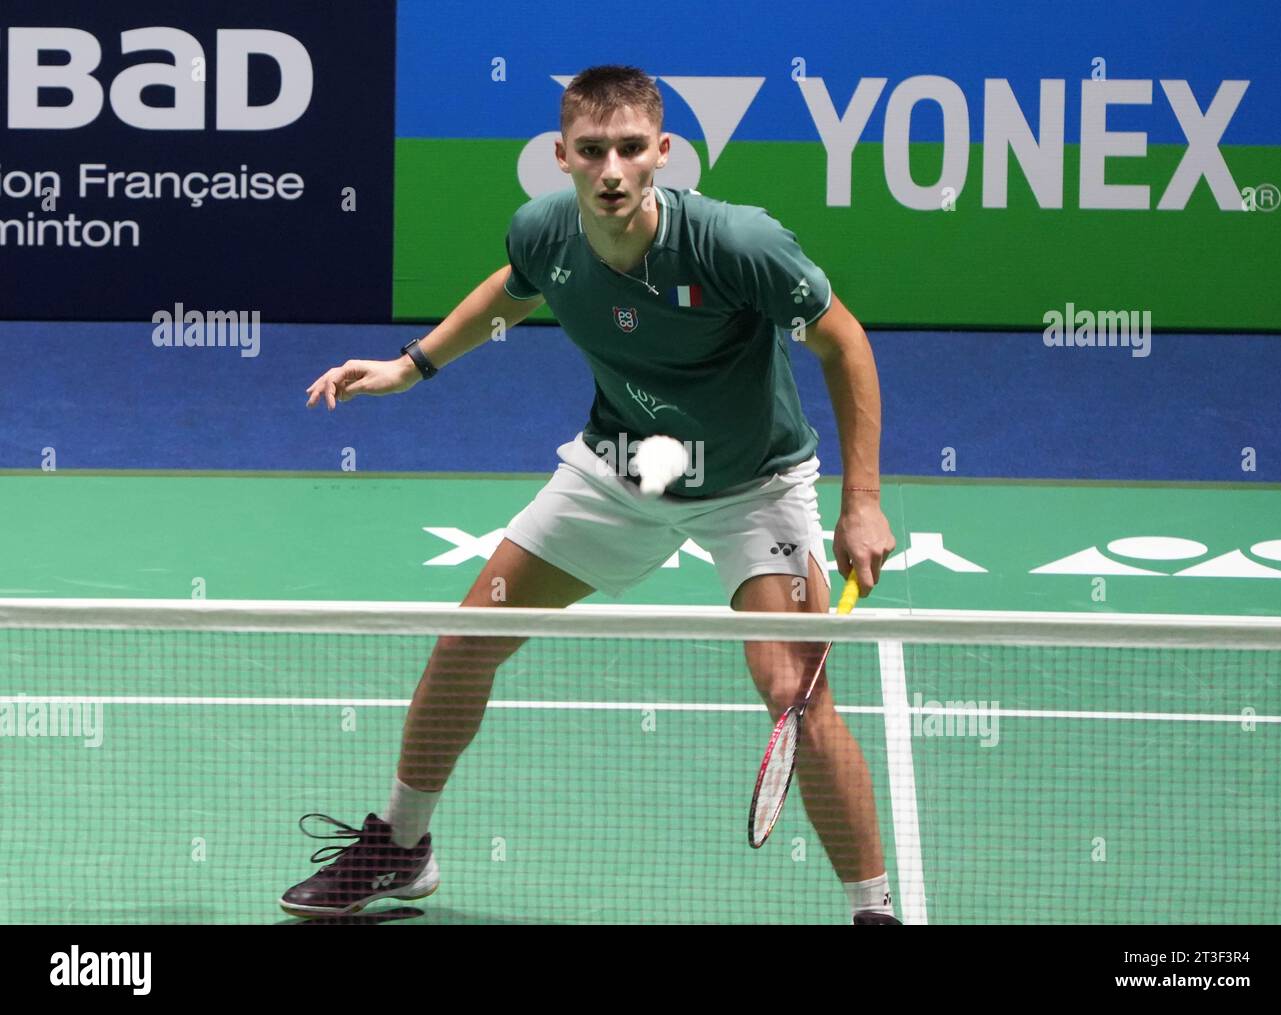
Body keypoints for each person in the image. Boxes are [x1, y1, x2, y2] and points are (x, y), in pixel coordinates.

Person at [286, 65, 898, 925]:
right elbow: (514, 286)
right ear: (561, 156)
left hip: (751, 480)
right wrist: (412, 363)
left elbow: (845, 344)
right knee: (470, 636)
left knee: (792, 690)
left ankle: (873, 912)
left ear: (662, 153)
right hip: (620, 467)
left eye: (629, 149)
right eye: (592, 150)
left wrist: (861, 499)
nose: (611, 169)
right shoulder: (544, 231)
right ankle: (401, 844)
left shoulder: (736, 244)